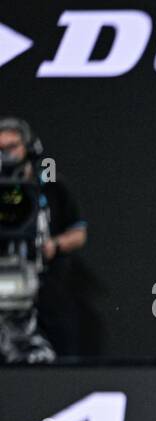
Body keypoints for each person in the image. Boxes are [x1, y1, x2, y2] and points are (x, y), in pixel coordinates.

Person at [0, 118, 88, 360]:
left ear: (29, 148)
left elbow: (79, 232)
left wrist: (54, 245)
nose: (5, 155)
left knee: (53, 356)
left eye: (11, 147)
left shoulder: (51, 186)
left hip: (46, 289)